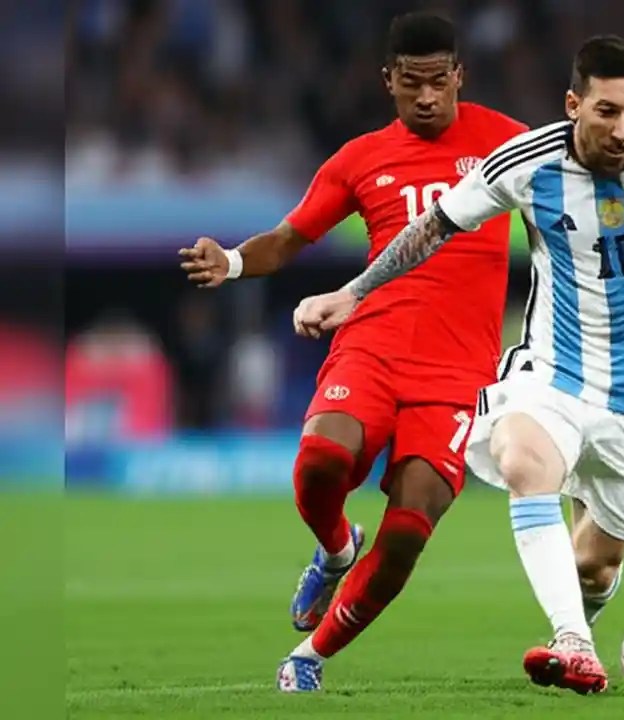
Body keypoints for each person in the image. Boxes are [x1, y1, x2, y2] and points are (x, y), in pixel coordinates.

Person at [293, 35, 624, 695]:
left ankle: (582, 616)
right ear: (573, 105)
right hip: (550, 374)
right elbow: (431, 228)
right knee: (521, 458)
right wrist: (353, 291)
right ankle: (574, 643)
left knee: (594, 566)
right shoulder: (525, 161)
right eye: (607, 112)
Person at [177, 13, 528, 692]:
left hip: (458, 370)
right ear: (387, 81)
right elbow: (290, 236)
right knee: (320, 463)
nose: (427, 97)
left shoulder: (508, 144)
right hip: (372, 342)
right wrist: (231, 260)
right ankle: (337, 547)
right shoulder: (360, 157)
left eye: (438, 81)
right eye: (411, 83)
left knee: (409, 527)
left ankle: (309, 655)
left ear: (460, 75)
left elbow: (587, 180)